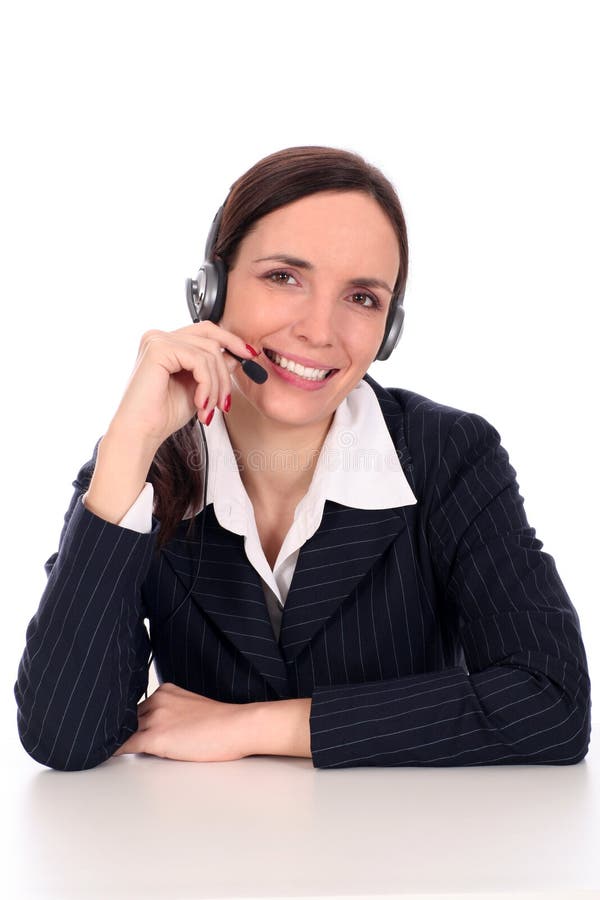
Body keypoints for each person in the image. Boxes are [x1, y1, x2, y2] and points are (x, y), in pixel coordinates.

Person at [14, 145, 592, 772]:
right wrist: (128, 444)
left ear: (388, 329)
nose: (320, 330)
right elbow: (64, 737)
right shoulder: (140, 469)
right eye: (284, 277)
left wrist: (256, 726)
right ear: (208, 291)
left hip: (409, 853)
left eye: (362, 297)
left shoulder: (447, 457)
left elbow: (550, 704)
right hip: (199, 856)